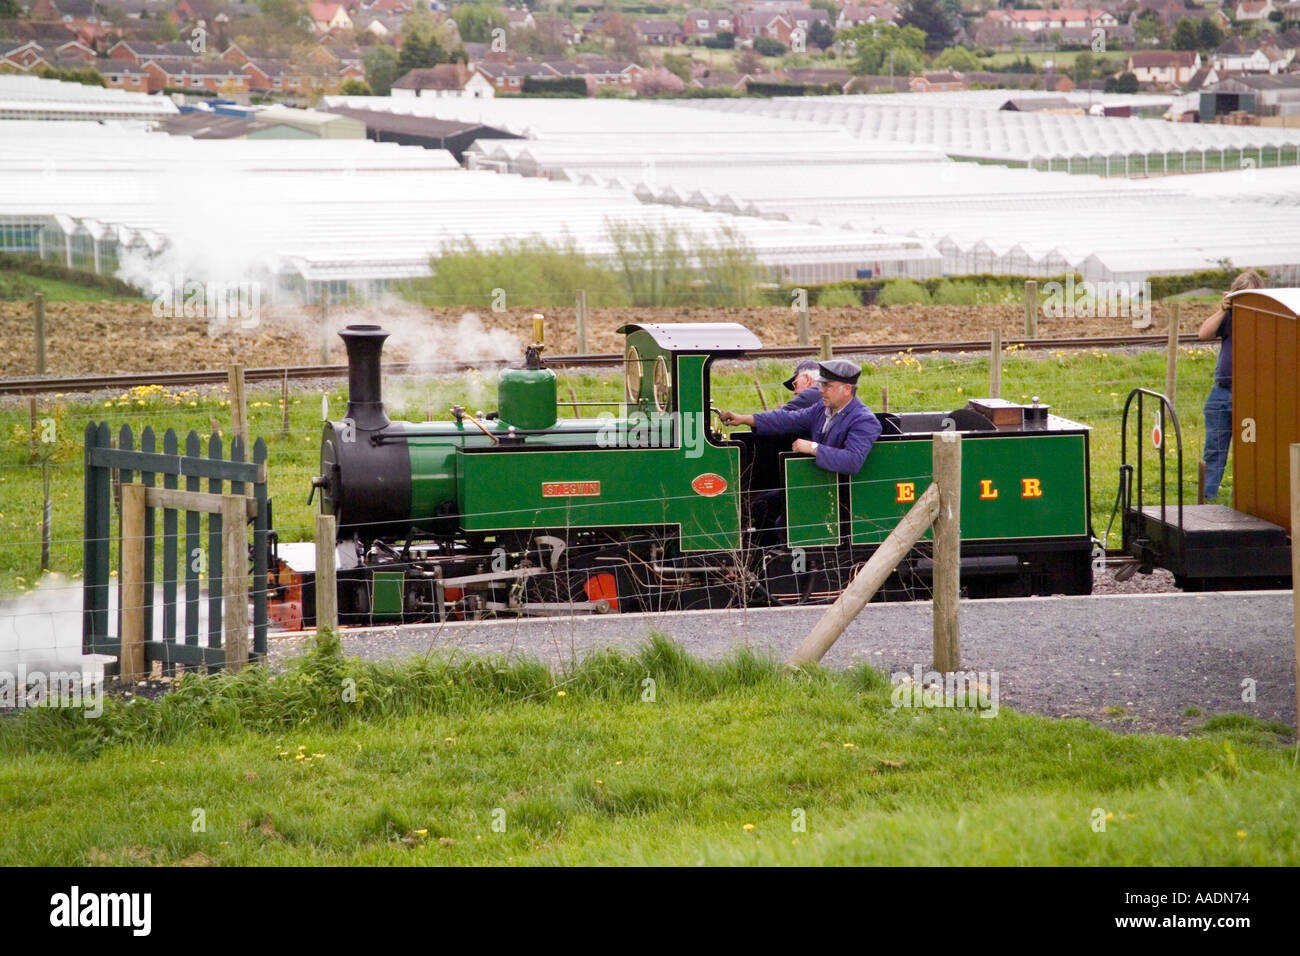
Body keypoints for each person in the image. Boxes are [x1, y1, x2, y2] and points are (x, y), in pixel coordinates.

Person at [720, 359, 882, 476]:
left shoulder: (864, 420)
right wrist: (744, 419)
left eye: (827, 386)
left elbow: (852, 461)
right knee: (761, 504)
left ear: (846, 389)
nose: (820, 390)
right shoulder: (821, 408)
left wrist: (813, 448)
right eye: (821, 384)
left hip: (835, 491)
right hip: (816, 482)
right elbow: (787, 419)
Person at [1197, 269, 1263, 501]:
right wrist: (1223, 309)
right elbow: (1203, 333)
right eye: (1240, 296)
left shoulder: (1265, 319)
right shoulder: (1228, 317)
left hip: (1252, 395)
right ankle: (1208, 498)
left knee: (1249, 450)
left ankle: (1245, 498)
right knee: (1214, 449)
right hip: (1222, 392)